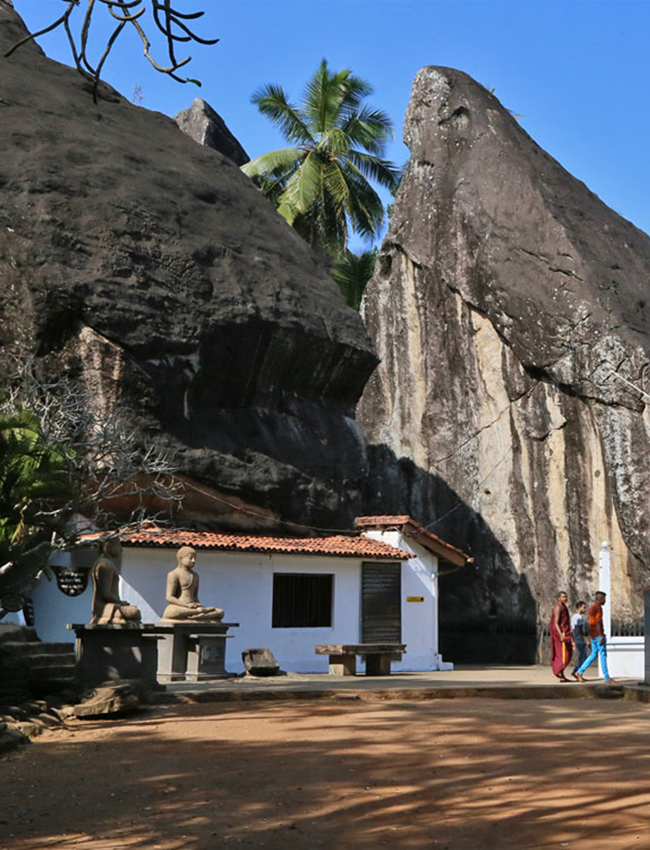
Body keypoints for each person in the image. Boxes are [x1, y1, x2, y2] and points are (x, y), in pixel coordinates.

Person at [161, 546, 224, 622]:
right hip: (181, 607)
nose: (193, 561)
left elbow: (195, 597)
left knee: (220, 612)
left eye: (195, 558)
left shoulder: (195, 575)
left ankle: (199, 614)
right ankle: (199, 614)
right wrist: (187, 605)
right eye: (190, 558)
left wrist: (197, 605)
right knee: (171, 611)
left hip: (194, 607)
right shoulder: (174, 574)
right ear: (181, 558)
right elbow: (169, 597)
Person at [90, 538, 141, 625]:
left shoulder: (106, 563)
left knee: (133, 611)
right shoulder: (104, 564)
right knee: (134, 612)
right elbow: (105, 594)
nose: (120, 549)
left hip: (112, 606)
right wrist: (120, 603)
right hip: (104, 608)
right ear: (108, 546)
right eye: (118, 546)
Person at [574, 591, 615, 683]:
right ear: (600, 599)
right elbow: (598, 622)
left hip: (593, 635)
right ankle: (607, 677)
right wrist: (601, 636)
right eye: (604, 599)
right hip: (598, 635)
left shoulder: (592, 607)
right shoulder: (598, 608)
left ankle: (580, 671)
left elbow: (591, 622)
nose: (605, 601)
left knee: (594, 654)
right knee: (603, 654)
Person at [550, 590, 574, 682]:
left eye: (566, 597)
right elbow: (556, 623)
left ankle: (562, 674)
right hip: (561, 633)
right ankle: (557, 671)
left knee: (568, 653)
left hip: (566, 631)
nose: (565, 598)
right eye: (563, 597)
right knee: (563, 655)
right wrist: (561, 635)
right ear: (559, 598)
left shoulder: (564, 607)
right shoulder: (558, 607)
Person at [570, 600, 590, 680]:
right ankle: (577, 672)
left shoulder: (574, 617)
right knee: (583, 657)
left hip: (576, 638)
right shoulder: (579, 618)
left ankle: (576, 671)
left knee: (583, 656)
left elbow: (571, 629)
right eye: (584, 608)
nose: (585, 609)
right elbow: (581, 630)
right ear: (579, 607)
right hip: (580, 639)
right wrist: (586, 639)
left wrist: (573, 640)